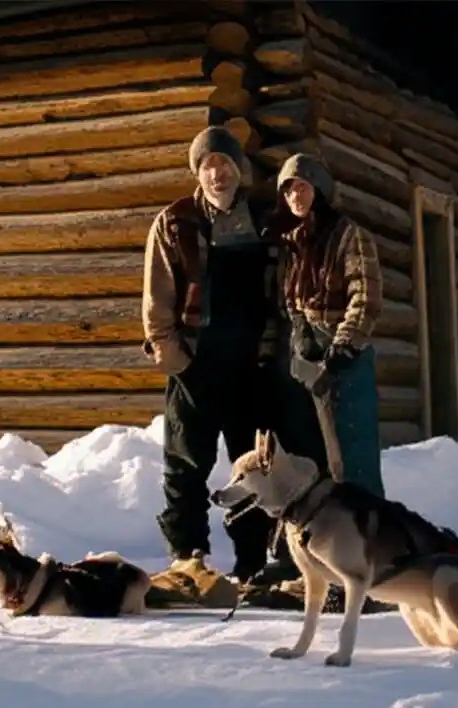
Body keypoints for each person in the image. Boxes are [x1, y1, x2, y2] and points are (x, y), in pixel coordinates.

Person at [141, 128, 326, 593]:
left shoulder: (265, 219)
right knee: (186, 468)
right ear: (197, 172)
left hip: (252, 368)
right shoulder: (174, 222)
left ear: (239, 170)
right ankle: (188, 563)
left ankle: (251, 564)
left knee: (254, 472)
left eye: (225, 164)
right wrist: (178, 362)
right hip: (196, 368)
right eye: (209, 166)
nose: (218, 174)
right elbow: (157, 303)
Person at [274, 152, 386, 496]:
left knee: (354, 460)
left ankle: (370, 538)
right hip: (306, 360)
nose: (296, 197)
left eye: (303, 188)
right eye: (289, 190)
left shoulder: (349, 236)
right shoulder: (289, 243)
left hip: (345, 361)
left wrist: (345, 343)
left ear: (319, 190)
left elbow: (365, 295)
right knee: (314, 459)